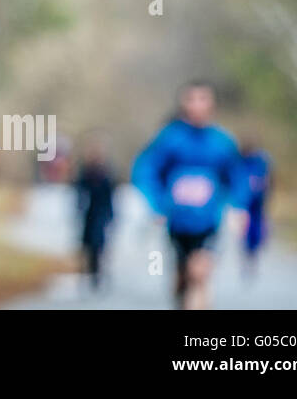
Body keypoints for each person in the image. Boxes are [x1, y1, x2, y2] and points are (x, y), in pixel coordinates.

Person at [131, 80, 249, 309]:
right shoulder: (169, 138)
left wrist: (239, 207)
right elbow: (145, 170)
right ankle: (181, 294)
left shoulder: (223, 142)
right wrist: (156, 205)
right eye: (191, 99)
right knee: (182, 278)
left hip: (209, 222)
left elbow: (238, 178)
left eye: (203, 99)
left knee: (200, 273)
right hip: (176, 222)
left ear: (213, 104)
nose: (197, 105)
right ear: (183, 103)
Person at [74, 137, 114, 290]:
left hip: (100, 213)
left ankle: (97, 274)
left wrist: (110, 214)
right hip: (88, 214)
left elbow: (109, 195)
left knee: (99, 245)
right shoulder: (86, 172)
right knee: (87, 245)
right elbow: (79, 190)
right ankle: (88, 273)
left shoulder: (105, 172)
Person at [238, 137, 272, 278]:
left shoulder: (262, 160)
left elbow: (269, 178)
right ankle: (247, 256)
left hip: (258, 202)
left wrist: (267, 191)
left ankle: (253, 255)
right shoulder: (241, 161)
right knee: (245, 230)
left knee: (256, 230)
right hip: (245, 202)